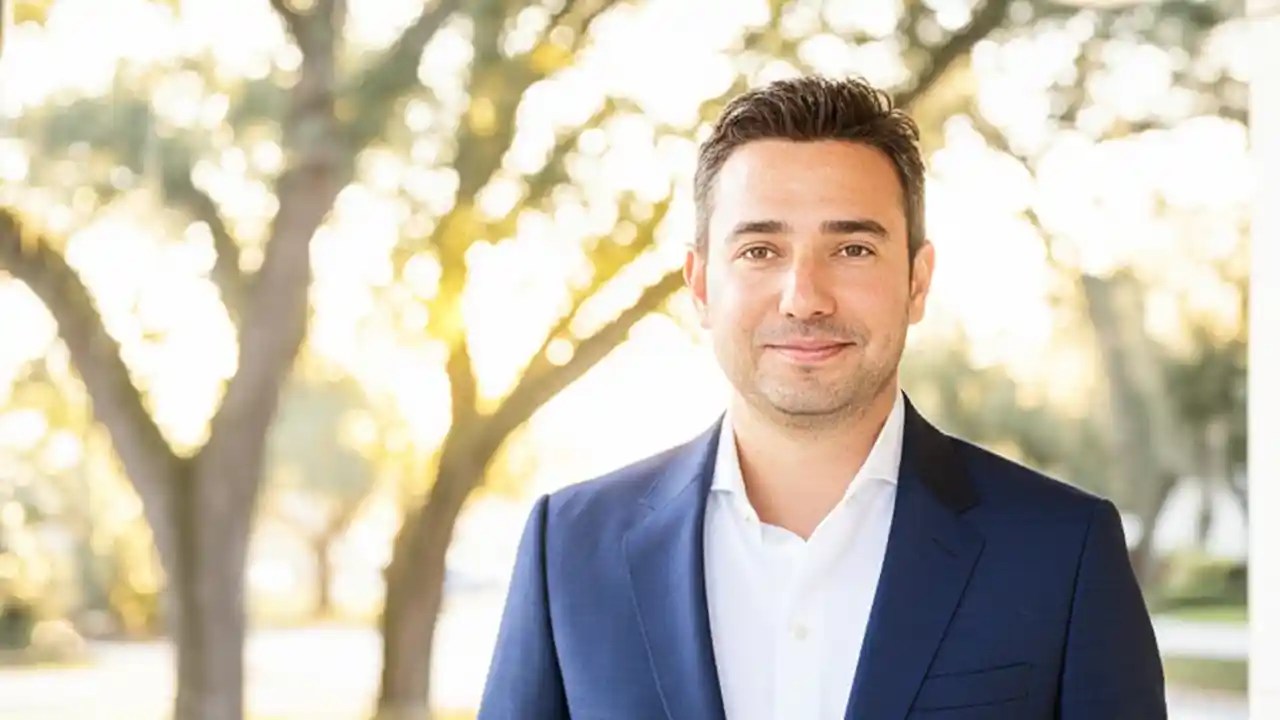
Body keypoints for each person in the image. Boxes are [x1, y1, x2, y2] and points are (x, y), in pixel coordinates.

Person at [477, 75, 1165, 720]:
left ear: (917, 281)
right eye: (759, 251)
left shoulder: (1061, 552)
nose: (805, 298)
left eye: (854, 250)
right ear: (701, 285)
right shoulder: (568, 549)